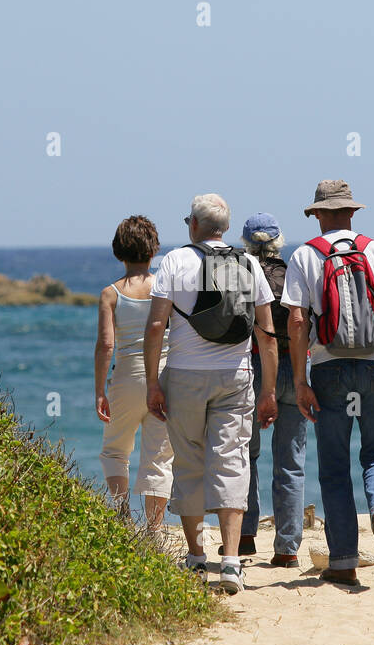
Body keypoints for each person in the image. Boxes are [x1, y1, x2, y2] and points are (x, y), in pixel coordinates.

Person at [282, 180, 374, 587]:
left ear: (317, 215)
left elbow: (296, 321)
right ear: (352, 212)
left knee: (333, 466)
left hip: (329, 370)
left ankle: (343, 561)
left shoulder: (305, 255)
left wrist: (301, 380)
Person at [144, 193, 279, 595]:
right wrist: (268, 390)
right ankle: (233, 562)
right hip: (236, 376)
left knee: (188, 462)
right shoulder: (249, 262)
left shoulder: (174, 261)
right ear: (223, 227)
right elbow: (267, 336)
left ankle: (196, 556)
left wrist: (152, 382)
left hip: (184, 374)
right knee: (232, 462)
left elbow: (155, 327)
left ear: (193, 225)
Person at [95, 215, 173, 534]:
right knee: (158, 457)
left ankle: (123, 518)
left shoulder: (110, 293)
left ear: (119, 252)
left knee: (115, 449)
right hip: (164, 377)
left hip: (126, 376)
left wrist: (100, 390)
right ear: (153, 250)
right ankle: (153, 531)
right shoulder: (165, 287)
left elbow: (106, 345)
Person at [237, 213, 307, 567]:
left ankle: (245, 535)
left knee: (246, 456)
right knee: (290, 463)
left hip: (254, 369)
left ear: (246, 244)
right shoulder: (295, 270)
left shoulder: (239, 273)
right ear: (279, 242)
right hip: (294, 367)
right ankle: (287, 548)